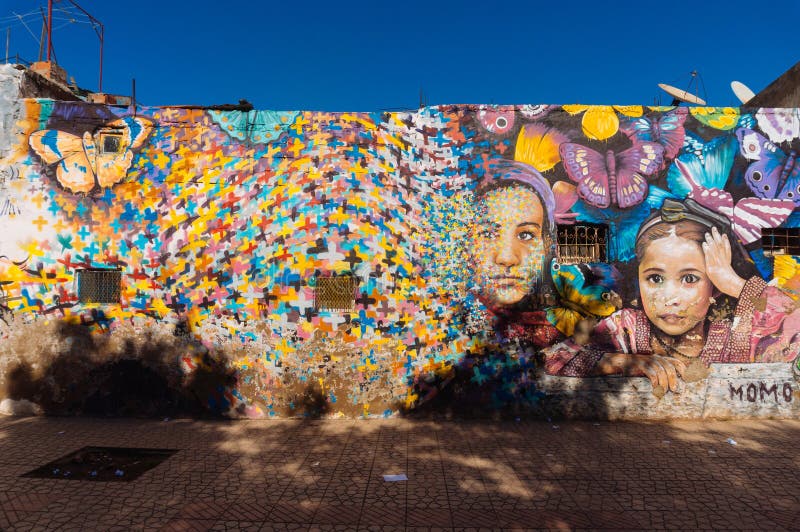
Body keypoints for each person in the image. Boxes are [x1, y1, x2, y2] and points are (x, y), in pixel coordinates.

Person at [543, 198, 800, 393]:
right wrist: (624, 362)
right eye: (655, 278)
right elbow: (553, 359)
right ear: (639, 279)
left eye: (690, 278)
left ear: (715, 285)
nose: (670, 297)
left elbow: (794, 327)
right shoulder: (627, 329)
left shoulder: (739, 338)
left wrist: (734, 283)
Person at [466, 158, 563, 347]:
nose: (507, 258)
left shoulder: (551, 330)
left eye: (526, 235)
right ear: (467, 243)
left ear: (546, 244)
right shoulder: (444, 328)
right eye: (488, 234)